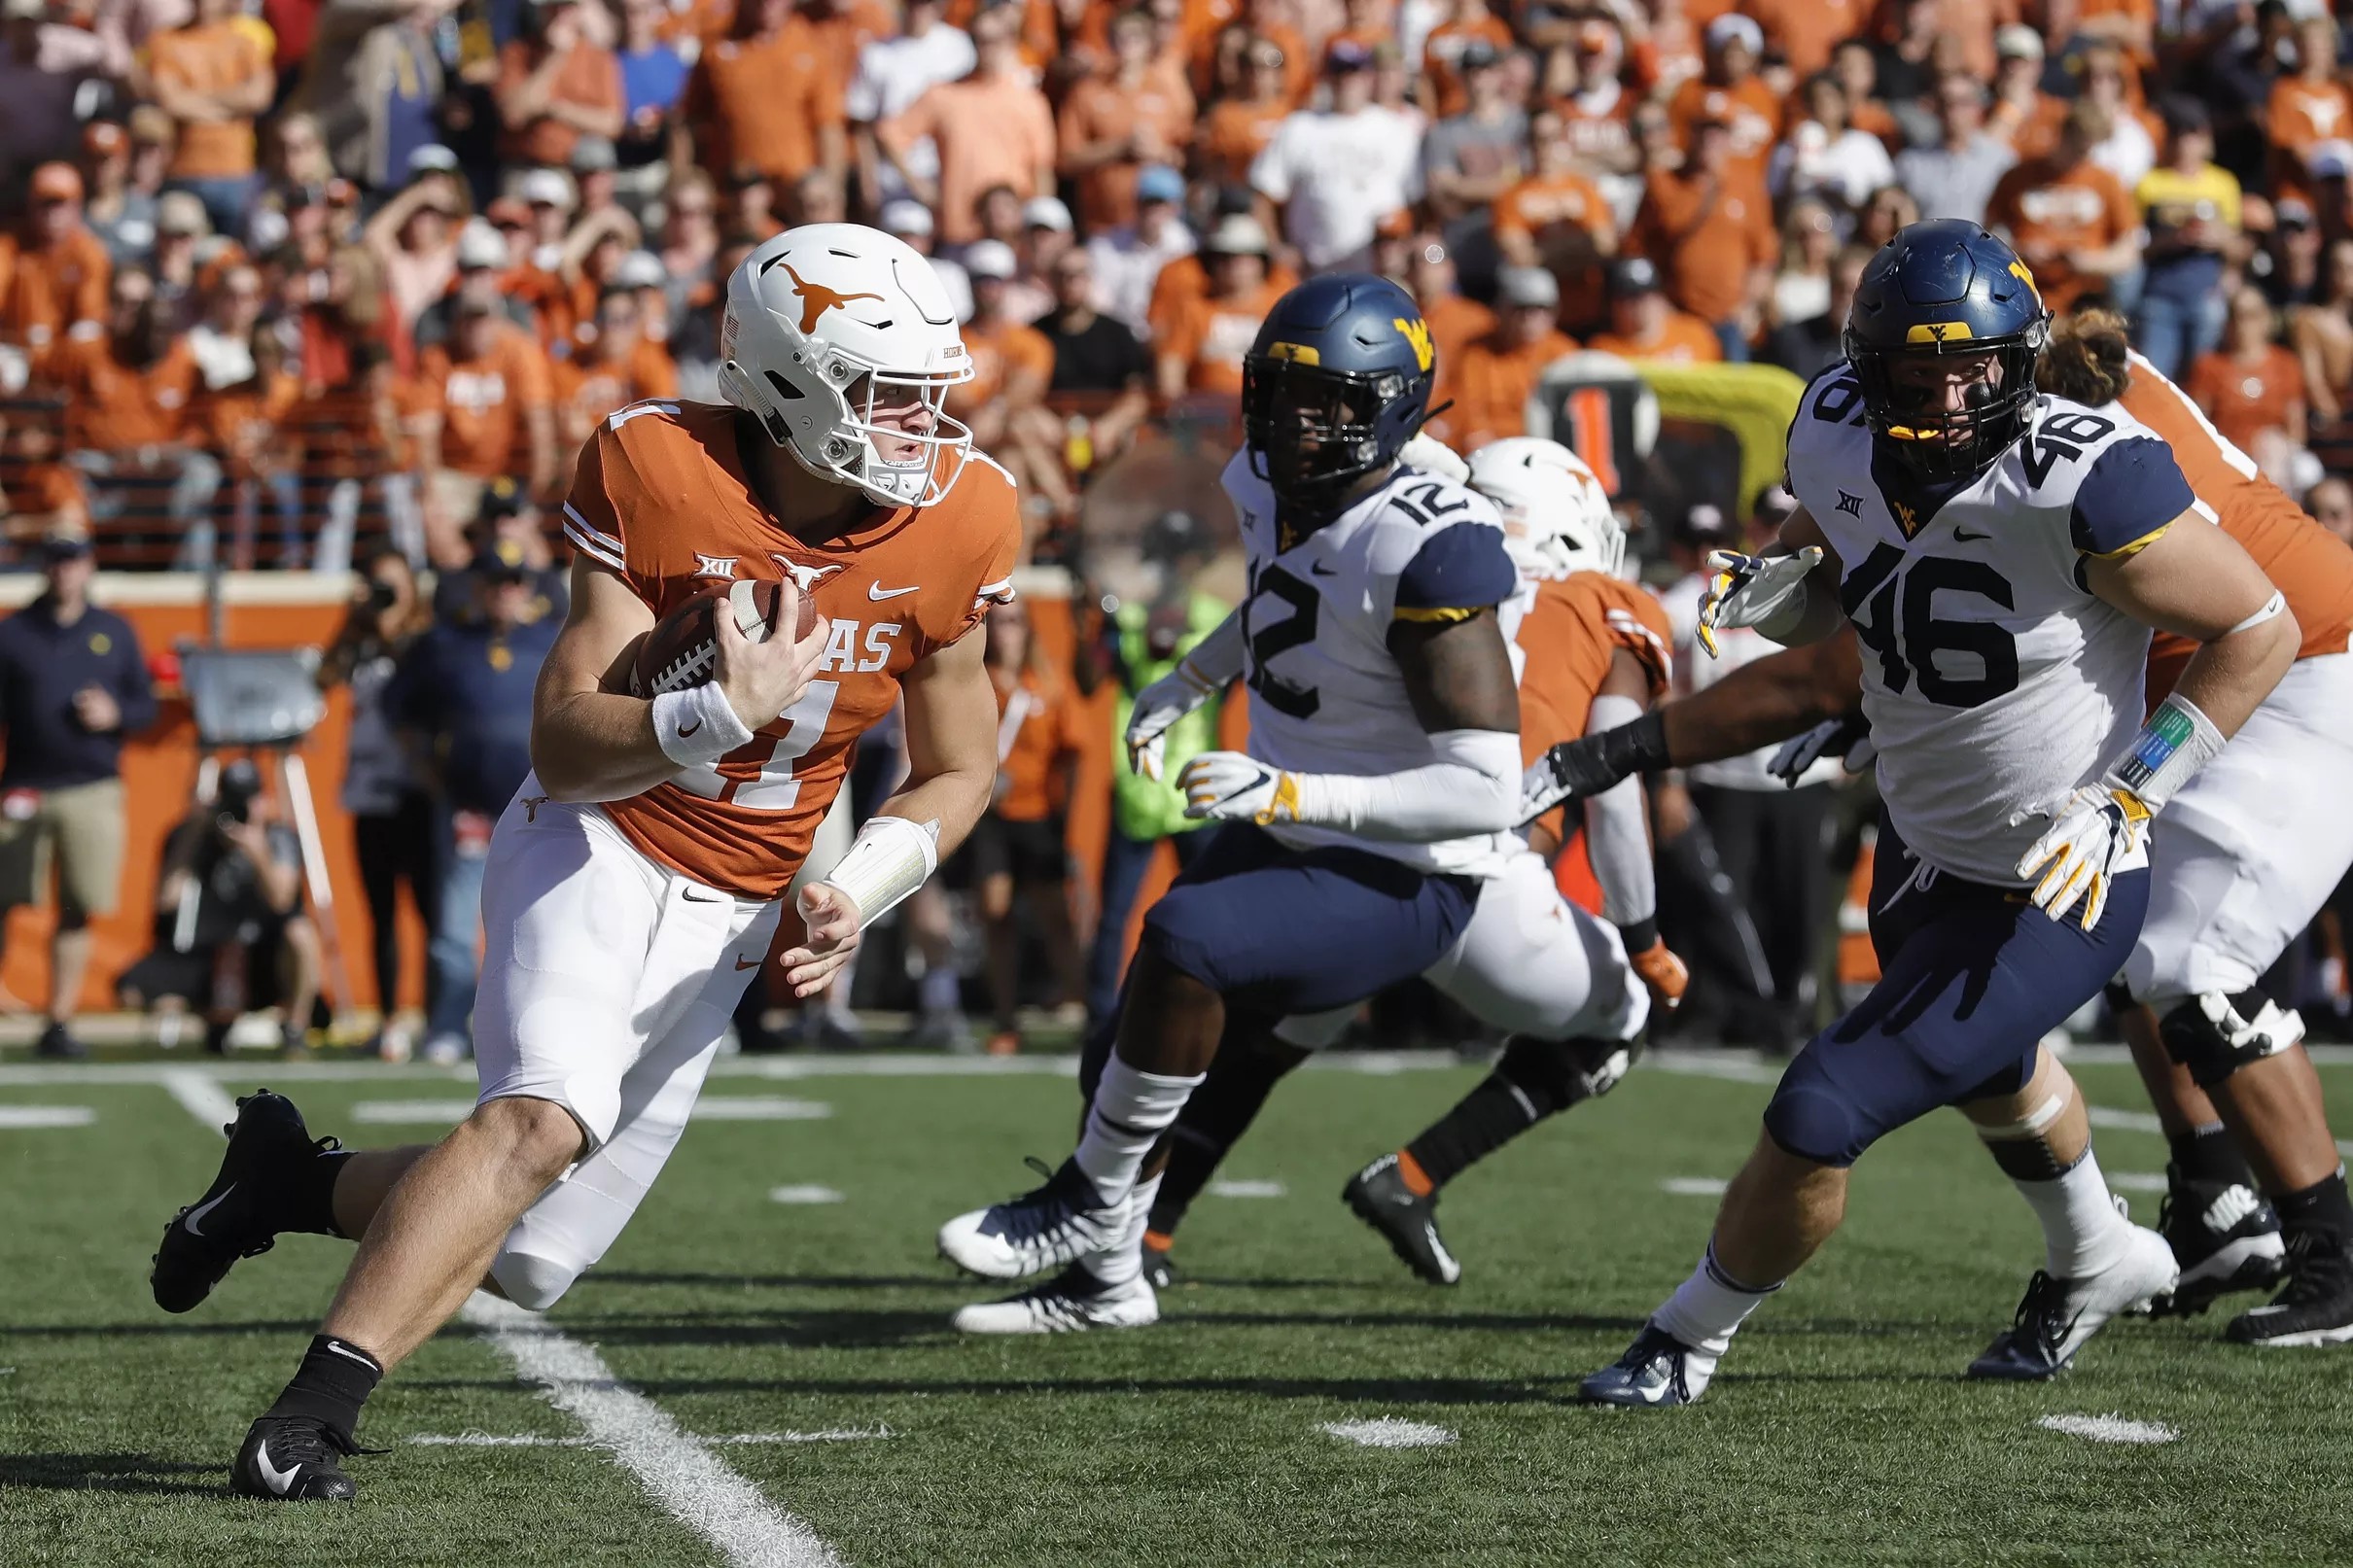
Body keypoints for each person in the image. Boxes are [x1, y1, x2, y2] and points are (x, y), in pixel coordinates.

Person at [146, 223, 1018, 1501]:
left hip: (737, 908)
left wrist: (860, 890)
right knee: (539, 1120)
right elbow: (564, 749)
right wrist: (717, 708)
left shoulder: (966, 513)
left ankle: (289, 1180)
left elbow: (961, 762)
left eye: (926, 394)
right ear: (786, 380)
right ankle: (308, 1420)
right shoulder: (657, 465)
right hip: (605, 842)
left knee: (531, 1253)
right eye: (884, 392)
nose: (917, 424)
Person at [1569, 222, 2300, 1407]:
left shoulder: (2084, 473)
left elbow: (2255, 624)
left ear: (2023, 361)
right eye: (1920, 369)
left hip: (2055, 874)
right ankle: (2098, 1256)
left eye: (1976, 368)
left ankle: (1683, 1335)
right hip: (1921, 832)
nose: (1951, 396)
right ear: (1869, 368)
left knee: (1818, 1108)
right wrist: (1783, 583)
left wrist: (2129, 791)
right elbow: (1846, 567)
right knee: (1991, 1071)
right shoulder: (1832, 429)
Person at [936, 273, 1526, 1333]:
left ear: (1393, 404)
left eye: (1338, 399)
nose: (1304, 419)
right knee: (1117, 1037)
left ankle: (1085, 1200)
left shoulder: (1431, 538)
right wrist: (1195, 678)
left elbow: (1485, 786)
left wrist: (1289, 784)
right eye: (1286, 389)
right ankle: (1107, 1283)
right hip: (1291, 827)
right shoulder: (1261, 477)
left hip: (1413, 866)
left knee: (1184, 934)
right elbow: (1283, 597)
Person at [1133, 438, 1683, 1295]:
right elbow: (1612, 790)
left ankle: (1143, 1231)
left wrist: (1188, 681)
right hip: (1483, 876)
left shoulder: (1404, 557)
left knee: (1271, 1045)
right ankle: (1413, 1177)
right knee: (1622, 1016)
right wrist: (1645, 940)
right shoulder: (1607, 602)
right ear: (1578, 529)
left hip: (1364, 850)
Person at [389, 541, 563, 1064]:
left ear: (528, 589)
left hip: (542, 805)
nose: (505, 593)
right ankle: (446, 1024)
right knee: (454, 926)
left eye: (514, 582)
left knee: (543, 923)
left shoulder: (553, 639)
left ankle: (533, 1032)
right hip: (469, 805)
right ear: (478, 589)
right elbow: (399, 711)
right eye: (495, 583)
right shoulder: (445, 643)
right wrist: (426, 769)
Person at [0, 533, 158, 1059]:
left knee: (78, 906)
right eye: (55, 561)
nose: (64, 571)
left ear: (88, 566)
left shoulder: (113, 630)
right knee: (4, 899)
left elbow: (145, 706)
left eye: (72, 561)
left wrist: (115, 715)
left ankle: (59, 1018)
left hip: (92, 786)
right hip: (24, 785)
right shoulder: (15, 633)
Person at [317, 546, 436, 1062]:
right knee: (381, 915)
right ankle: (389, 1021)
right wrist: (354, 618)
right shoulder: (358, 644)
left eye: (393, 585)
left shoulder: (423, 640)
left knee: (433, 915)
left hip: (417, 792)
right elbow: (320, 680)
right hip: (369, 797)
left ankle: (437, 1021)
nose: (385, 595)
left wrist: (388, 623)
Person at [118, 758, 320, 1056]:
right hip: (206, 952)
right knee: (131, 992)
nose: (238, 810)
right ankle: (212, 1019)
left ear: (262, 801)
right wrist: (196, 831)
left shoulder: (277, 836)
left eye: (246, 799)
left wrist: (256, 851)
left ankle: (294, 1026)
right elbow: (166, 899)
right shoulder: (193, 836)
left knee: (301, 934)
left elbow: (282, 900)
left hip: (261, 952)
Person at [966, 598, 1088, 1055]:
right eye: (997, 622)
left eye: (1014, 622)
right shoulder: (975, 681)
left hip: (1038, 816)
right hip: (990, 818)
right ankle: (1005, 1020)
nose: (1005, 632)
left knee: (1057, 916)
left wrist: (1066, 815)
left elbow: (1073, 751)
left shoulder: (1049, 684)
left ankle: (1083, 1007)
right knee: (996, 914)